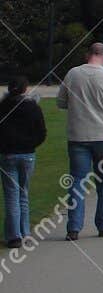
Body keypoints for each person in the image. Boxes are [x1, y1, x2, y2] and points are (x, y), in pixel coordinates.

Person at [56, 43, 103, 241]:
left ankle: (74, 228)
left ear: (88, 55)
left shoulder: (73, 74)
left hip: (78, 136)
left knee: (77, 181)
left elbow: (60, 102)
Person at [0, 76, 47, 248]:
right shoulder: (32, 108)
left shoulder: (3, 107)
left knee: (11, 195)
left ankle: (14, 236)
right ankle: (25, 232)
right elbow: (41, 132)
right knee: (23, 194)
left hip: (8, 154)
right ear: (25, 89)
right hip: (27, 153)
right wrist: (31, 144)